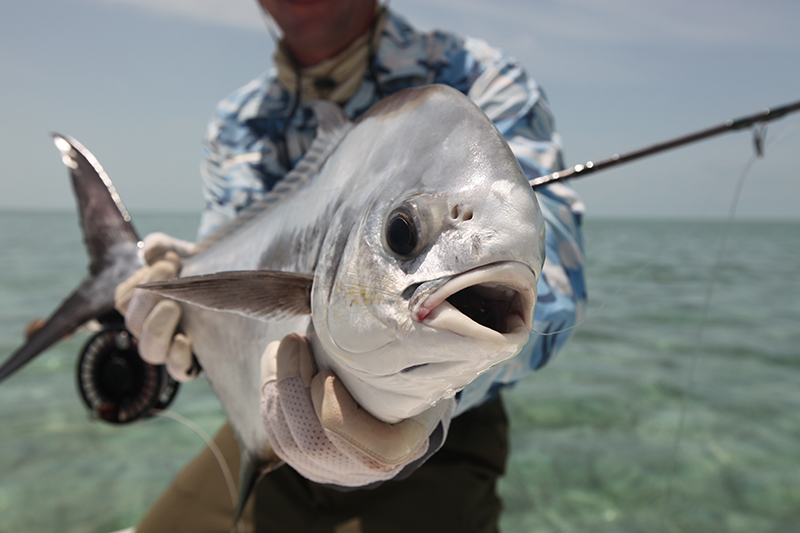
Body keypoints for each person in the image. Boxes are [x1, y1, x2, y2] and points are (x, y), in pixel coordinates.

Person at [116, 1, 587, 531]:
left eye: (400, 234)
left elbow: (553, 288)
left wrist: (428, 397)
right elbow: (237, 284)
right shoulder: (239, 123)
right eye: (404, 234)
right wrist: (181, 305)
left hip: (449, 441)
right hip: (274, 411)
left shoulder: (484, 79)